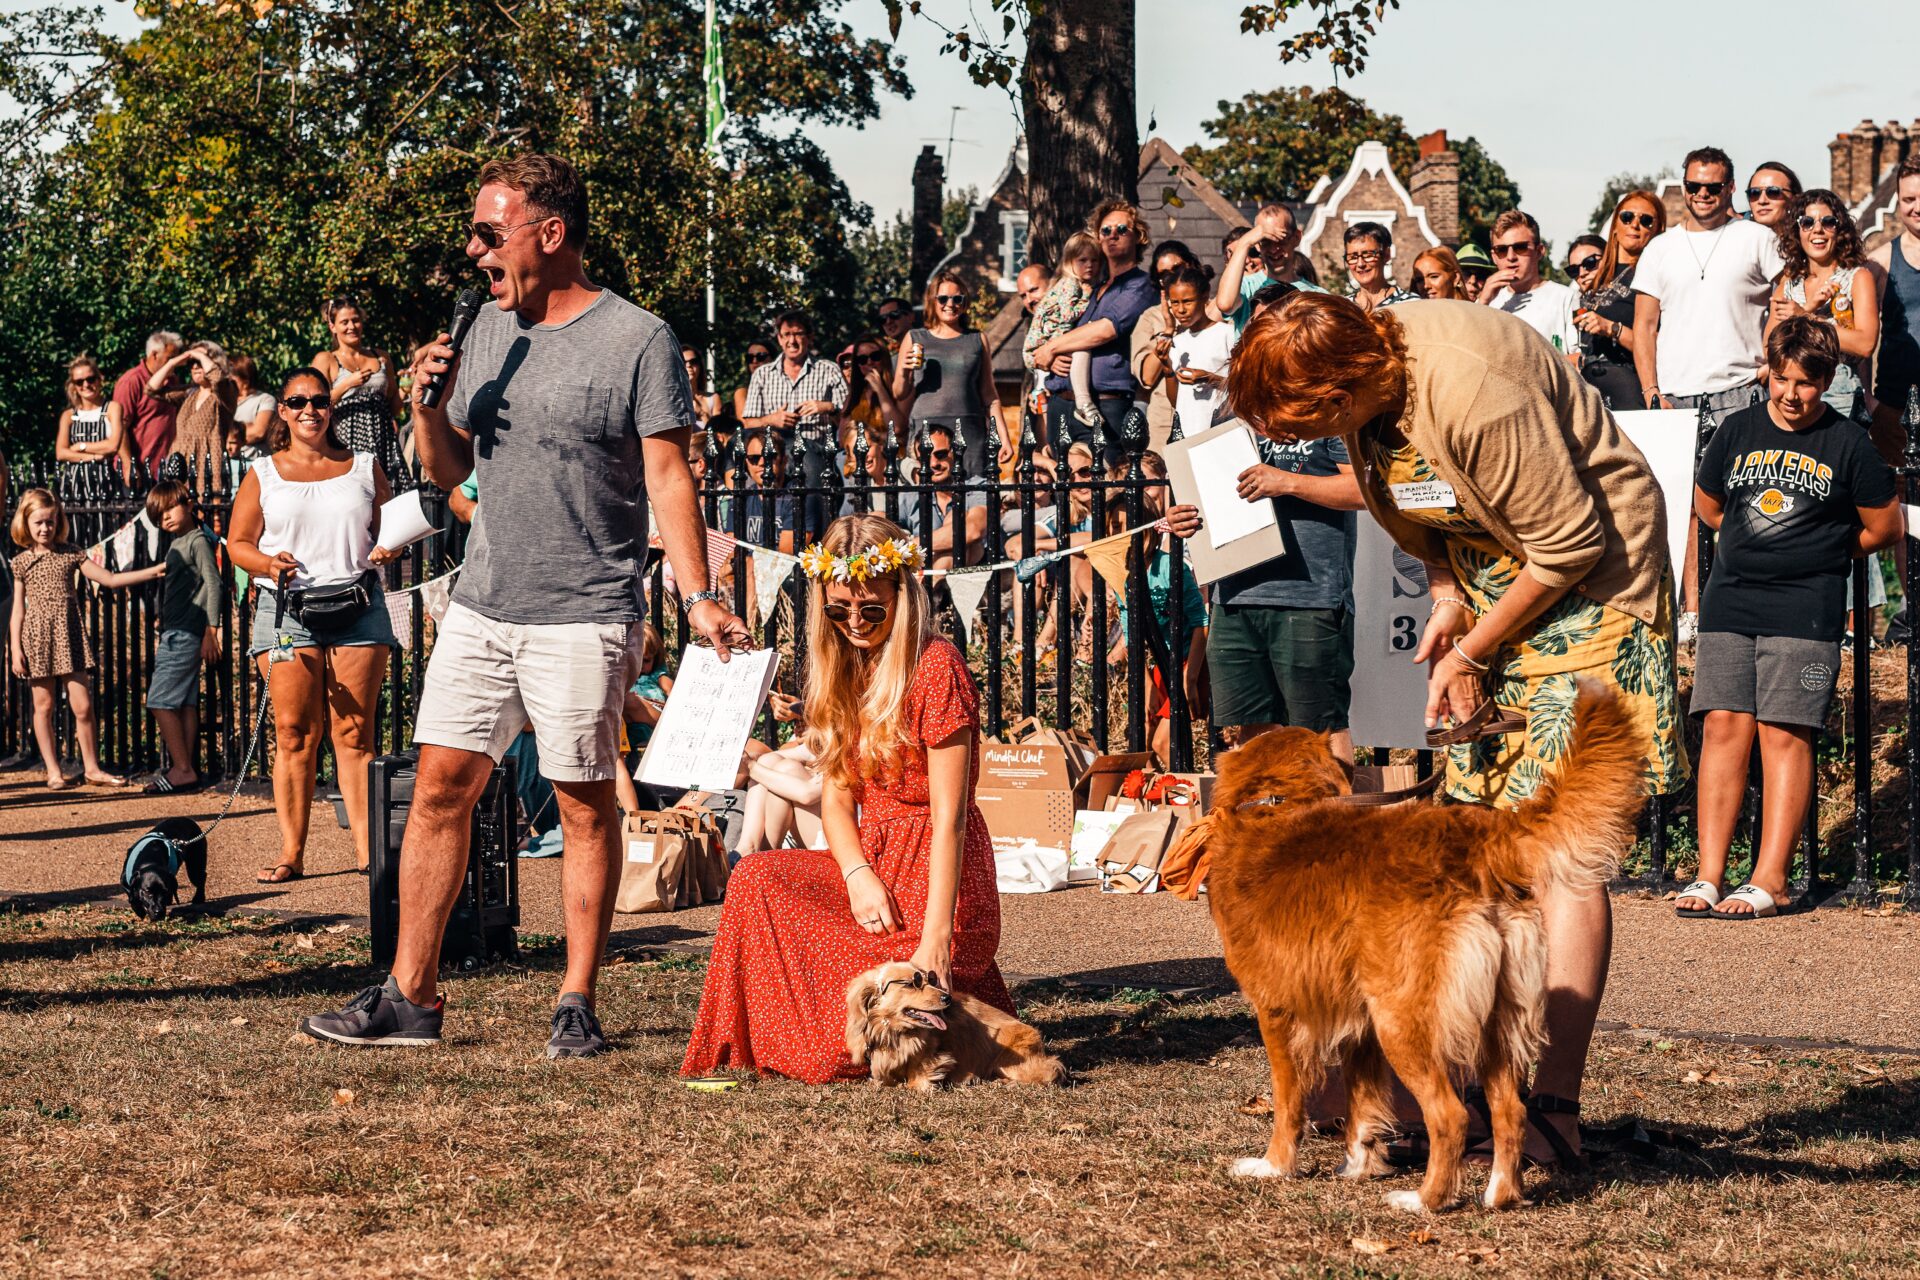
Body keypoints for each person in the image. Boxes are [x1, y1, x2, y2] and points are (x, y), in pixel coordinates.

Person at [298, 153, 750, 1056]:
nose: (474, 250)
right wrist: (428, 408)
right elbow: (453, 471)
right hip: (483, 603)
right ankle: (410, 997)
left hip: (585, 610)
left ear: (550, 235)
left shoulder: (637, 338)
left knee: (585, 804)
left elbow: (668, 473)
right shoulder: (486, 337)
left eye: (488, 232)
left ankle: (576, 1002)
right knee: (439, 789)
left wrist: (698, 594)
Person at [1229, 293, 1685, 1166]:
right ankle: (1480, 1094)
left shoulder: (1475, 387)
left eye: (1297, 419)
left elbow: (1570, 540)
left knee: (1556, 852)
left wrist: (1472, 647)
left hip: (1591, 591)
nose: (1296, 441)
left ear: (1339, 387)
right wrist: (1447, 596)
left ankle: (1552, 1105)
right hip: (1494, 591)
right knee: (1478, 847)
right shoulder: (1368, 403)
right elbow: (1411, 507)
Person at [681, 516, 1013, 1083]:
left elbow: (951, 817)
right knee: (756, 876)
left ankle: (911, 1002)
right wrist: (857, 873)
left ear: (900, 598)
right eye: (839, 611)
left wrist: (935, 941)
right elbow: (835, 799)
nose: (855, 623)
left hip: (939, 881)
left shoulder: (937, 666)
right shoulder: (845, 667)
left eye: (871, 610)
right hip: (877, 866)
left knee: (834, 1050)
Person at [1680, 319, 1901, 919]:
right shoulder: (1737, 430)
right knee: (1723, 726)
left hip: (1805, 609)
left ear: (1826, 382)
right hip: (1731, 600)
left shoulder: (1848, 444)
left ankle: (1771, 878)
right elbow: (1708, 506)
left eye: (1805, 382)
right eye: (1781, 378)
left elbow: (1886, 528)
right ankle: (1708, 874)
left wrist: (1822, 551)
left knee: (1784, 731)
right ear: (1767, 372)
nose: (1790, 393)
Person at [228, 368, 400, 883]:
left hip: (358, 607)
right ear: (281, 410)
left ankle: (370, 857)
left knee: (354, 734)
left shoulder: (364, 466)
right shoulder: (264, 472)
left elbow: (390, 526)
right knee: (295, 733)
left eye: (319, 400)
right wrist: (266, 565)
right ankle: (291, 854)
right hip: (287, 613)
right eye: (297, 401)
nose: (309, 410)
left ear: (332, 407)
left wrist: (391, 543)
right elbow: (237, 543)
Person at [1632, 146, 1785, 626]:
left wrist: (1770, 359)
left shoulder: (1756, 238)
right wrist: (1650, 389)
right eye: (1693, 186)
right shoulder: (1661, 247)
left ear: (1729, 189)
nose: (1701, 195)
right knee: (1690, 508)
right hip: (1676, 396)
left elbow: (1787, 294)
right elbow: (1644, 326)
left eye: (1712, 187)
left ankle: (1752, 607)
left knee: (1752, 504)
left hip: (1743, 387)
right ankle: (1694, 611)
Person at [9, 488, 163, 789]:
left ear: (58, 522)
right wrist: (15, 649)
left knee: (83, 706)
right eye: (38, 522)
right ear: (25, 523)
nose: (45, 528)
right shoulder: (21, 562)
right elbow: (17, 611)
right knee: (44, 706)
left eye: (50, 522)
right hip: (37, 638)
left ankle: (92, 768)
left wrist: (152, 571)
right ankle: (53, 771)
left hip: (70, 636)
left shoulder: (72, 553)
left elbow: (110, 579)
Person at [1030, 198, 1158, 464]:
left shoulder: (1141, 286)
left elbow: (1104, 330)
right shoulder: (1087, 287)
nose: (1113, 235)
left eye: (1122, 229)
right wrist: (1053, 358)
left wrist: (1051, 348)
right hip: (1060, 403)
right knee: (1065, 493)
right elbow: (1062, 328)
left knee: (1107, 489)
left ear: (1139, 236)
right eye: (1106, 230)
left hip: (1106, 405)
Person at [1103, 452, 1207, 767]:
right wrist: (1146, 683)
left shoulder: (1170, 565)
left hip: (1193, 659)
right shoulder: (1122, 575)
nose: (1127, 538)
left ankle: (1185, 798)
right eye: (1116, 531)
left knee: (1164, 743)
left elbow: (1202, 621)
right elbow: (1130, 629)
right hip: (1161, 664)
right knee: (1142, 736)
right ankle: (1154, 797)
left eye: (1132, 528)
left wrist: (1189, 678)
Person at [1767, 190, 1879, 423]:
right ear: (1797, 231)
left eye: (1828, 222)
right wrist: (1809, 307)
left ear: (1840, 230)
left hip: (1839, 392)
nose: (1817, 229)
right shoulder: (1789, 280)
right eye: (1807, 222)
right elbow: (1769, 346)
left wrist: (1806, 316)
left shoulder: (1857, 277)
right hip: (1790, 392)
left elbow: (1865, 343)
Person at [141, 481, 222, 795]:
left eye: (170, 509)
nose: (166, 518)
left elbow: (213, 583)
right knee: (185, 704)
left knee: (159, 701)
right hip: (178, 629)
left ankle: (182, 769)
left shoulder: (196, 540)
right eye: (159, 516)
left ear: (189, 504)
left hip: (185, 635)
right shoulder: (179, 542)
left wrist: (211, 631)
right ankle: (187, 768)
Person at [743, 310, 846, 541]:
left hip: (815, 446)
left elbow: (849, 413)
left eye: (798, 334)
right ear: (779, 338)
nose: (792, 340)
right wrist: (773, 419)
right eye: (787, 334)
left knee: (810, 468)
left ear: (809, 337)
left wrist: (825, 406)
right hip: (774, 448)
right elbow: (748, 422)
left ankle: (814, 542)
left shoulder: (828, 369)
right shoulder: (762, 374)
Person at [896, 269, 999, 480]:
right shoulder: (915, 337)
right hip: (926, 424)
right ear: (932, 301)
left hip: (969, 426)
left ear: (964, 301)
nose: (950, 304)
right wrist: (906, 370)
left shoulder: (977, 339)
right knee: (927, 490)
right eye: (943, 298)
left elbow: (989, 395)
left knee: (972, 488)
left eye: (957, 298)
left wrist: (1003, 438)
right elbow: (899, 393)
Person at [1575, 191, 1665, 410]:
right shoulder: (1597, 275)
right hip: (1587, 383)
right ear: (1615, 224)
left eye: (1645, 221)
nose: (1635, 225)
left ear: (1657, 230)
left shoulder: (1652, 276)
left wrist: (1612, 328)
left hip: (1627, 383)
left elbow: (1660, 346)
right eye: (1627, 217)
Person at [314, 296, 409, 491]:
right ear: (332, 326)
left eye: (356, 320)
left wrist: (405, 389)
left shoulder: (381, 357)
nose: (352, 326)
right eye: (344, 322)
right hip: (345, 441)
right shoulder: (326, 360)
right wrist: (347, 384)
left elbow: (393, 408)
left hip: (383, 441)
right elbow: (314, 405)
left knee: (389, 497)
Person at [1021, 232, 1106, 433]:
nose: (1089, 265)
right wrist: (1086, 298)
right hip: (1045, 343)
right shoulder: (1070, 285)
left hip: (1048, 343)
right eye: (1083, 260)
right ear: (1070, 262)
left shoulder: (1072, 284)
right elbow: (1068, 315)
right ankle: (1083, 403)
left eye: (1094, 260)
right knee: (1082, 348)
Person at [1132, 240, 1212, 446]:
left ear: (1191, 265)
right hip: (1166, 417)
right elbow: (1147, 378)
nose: (1172, 276)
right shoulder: (1150, 317)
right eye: (1164, 274)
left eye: (1178, 268)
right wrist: (1170, 330)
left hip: (1209, 414)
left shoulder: (1214, 311)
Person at [1141, 265, 1232, 440]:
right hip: (1187, 434)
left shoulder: (1226, 334)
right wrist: (1167, 369)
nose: (1181, 310)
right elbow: (1177, 402)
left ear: (1204, 297)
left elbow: (1243, 388)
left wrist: (1210, 378)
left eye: (1187, 301)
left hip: (1222, 432)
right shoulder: (1178, 342)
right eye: (1175, 303)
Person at [1480, 212, 1579, 354]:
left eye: (1520, 247)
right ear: (1494, 257)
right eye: (1501, 250)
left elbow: (1578, 358)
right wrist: (1483, 301)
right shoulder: (1487, 302)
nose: (1510, 257)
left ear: (1539, 251)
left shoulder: (1565, 298)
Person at [1216, 205, 1325, 334]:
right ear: (1256, 243)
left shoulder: (1318, 295)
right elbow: (1225, 304)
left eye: (1280, 240)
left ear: (1296, 238)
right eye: (1265, 241)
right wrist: (1244, 242)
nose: (1274, 249)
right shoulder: (1246, 286)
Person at [896, 424, 989, 569]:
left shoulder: (977, 486)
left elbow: (972, 531)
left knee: (961, 548)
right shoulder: (914, 495)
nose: (934, 463)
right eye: (926, 458)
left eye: (941, 454)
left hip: (977, 575)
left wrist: (909, 546)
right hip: (925, 573)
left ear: (955, 453)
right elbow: (883, 520)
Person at [148, 341, 234, 485]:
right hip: (179, 466)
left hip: (207, 469)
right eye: (191, 363)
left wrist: (199, 355)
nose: (194, 366)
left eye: (199, 361)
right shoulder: (189, 393)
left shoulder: (224, 394)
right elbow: (151, 389)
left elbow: (217, 379)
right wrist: (173, 362)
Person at [112, 330, 185, 470]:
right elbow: (120, 427)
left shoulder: (173, 381)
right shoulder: (131, 381)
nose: (173, 364)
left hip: (163, 467)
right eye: (170, 358)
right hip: (138, 467)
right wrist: (129, 467)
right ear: (154, 355)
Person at [839, 334, 901, 487]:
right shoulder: (854, 395)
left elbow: (898, 428)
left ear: (884, 358)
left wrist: (880, 389)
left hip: (889, 460)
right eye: (862, 359)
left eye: (875, 356)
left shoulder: (896, 389)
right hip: (859, 461)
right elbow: (842, 438)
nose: (869, 363)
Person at [55, 354, 127, 476]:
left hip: (105, 479)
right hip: (75, 482)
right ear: (74, 386)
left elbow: (113, 446)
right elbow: (61, 453)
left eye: (90, 379)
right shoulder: (68, 415)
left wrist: (80, 446)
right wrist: (95, 456)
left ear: (99, 380)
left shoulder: (112, 408)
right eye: (79, 382)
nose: (86, 385)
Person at [1342, 222, 1416, 313]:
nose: (1360, 264)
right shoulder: (1342, 308)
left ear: (1386, 255)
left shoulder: (1410, 304)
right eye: (1353, 257)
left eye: (1368, 255)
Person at [230, 353, 277, 455]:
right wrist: (245, 428)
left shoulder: (265, 400)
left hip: (253, 463)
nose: (227, 383)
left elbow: (258, 433)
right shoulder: (224, 402)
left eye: (231, 380)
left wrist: (228, 433)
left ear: (245, 382)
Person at [1744, 162, 1802, 233]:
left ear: (1794, 199)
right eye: (1754, 193)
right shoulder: (1736, 240)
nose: (1762, 201)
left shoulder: (1808, 241)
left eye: (1773, 192)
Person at [730, 338, 775, 420]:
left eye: (760, 357)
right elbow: (745, 423)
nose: (754, 361)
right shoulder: (742, 392)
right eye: (749, 358)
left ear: (773, 359)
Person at [681, 345, 725, 423]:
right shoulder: (672, 399)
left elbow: (718, 434)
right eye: (683, 362)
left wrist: (702, 414)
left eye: (693, 361)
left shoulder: (713, 398)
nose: (688, 365)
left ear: (700, 366)